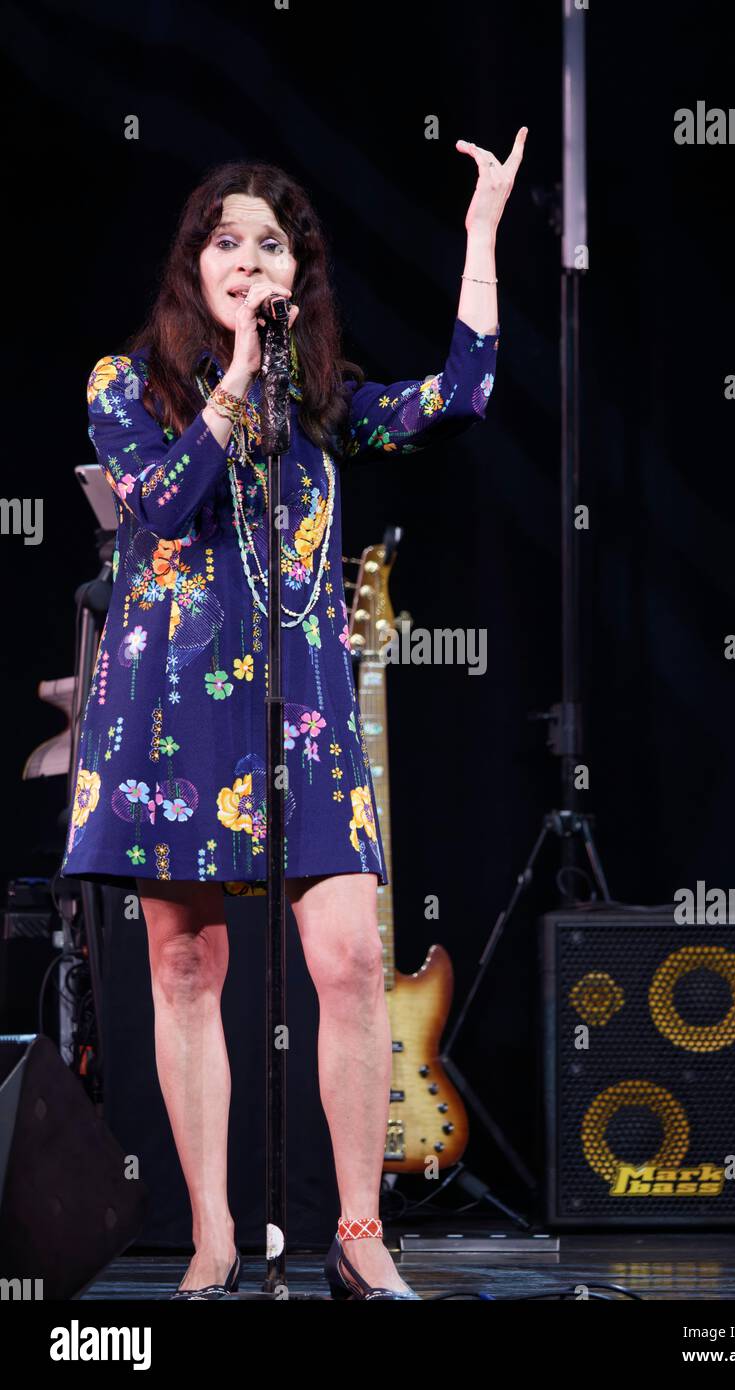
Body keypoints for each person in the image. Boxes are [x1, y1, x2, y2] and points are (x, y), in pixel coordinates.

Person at [61, 131, 526, 1299]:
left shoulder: (320, 412)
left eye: (273, 247)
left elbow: (461, 399)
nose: (249, 261)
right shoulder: (124, 385)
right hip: (171, 712)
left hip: (300, 712)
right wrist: (229, 376)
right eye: (228, 241)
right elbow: (161, 510)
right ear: (195, 263)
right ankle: (216, 1234)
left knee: (354, 957)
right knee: (187, 962)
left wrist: (478, 235)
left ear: (297, 279)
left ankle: (360, 1234)